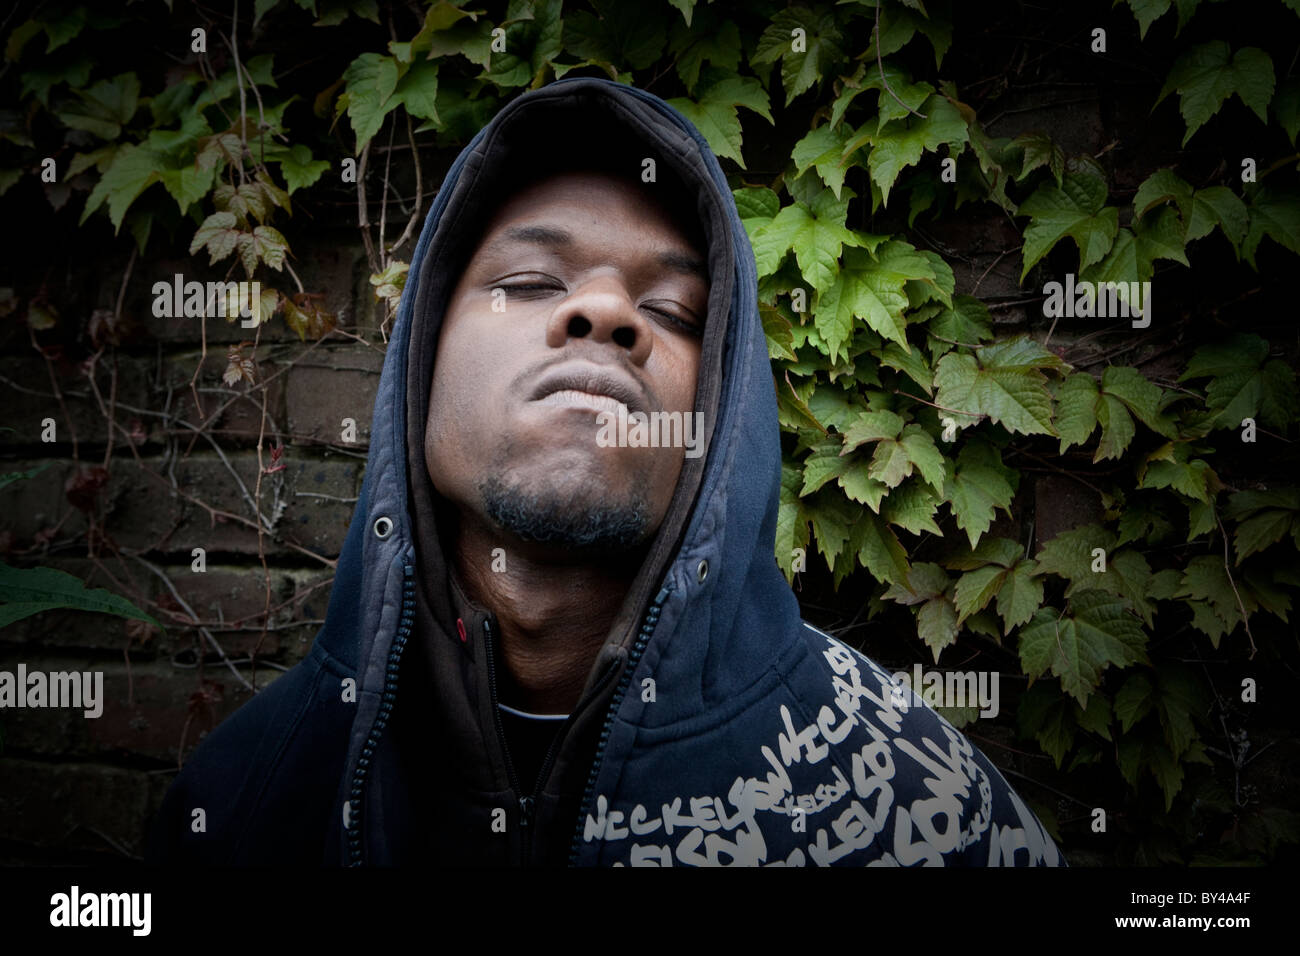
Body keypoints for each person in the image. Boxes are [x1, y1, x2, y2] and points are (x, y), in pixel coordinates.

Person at [150, 76, 1064, 867]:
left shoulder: (917, 806)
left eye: (671, 309)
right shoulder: (235, 807)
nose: (602, 311)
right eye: (536, 283)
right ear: (422, 355)